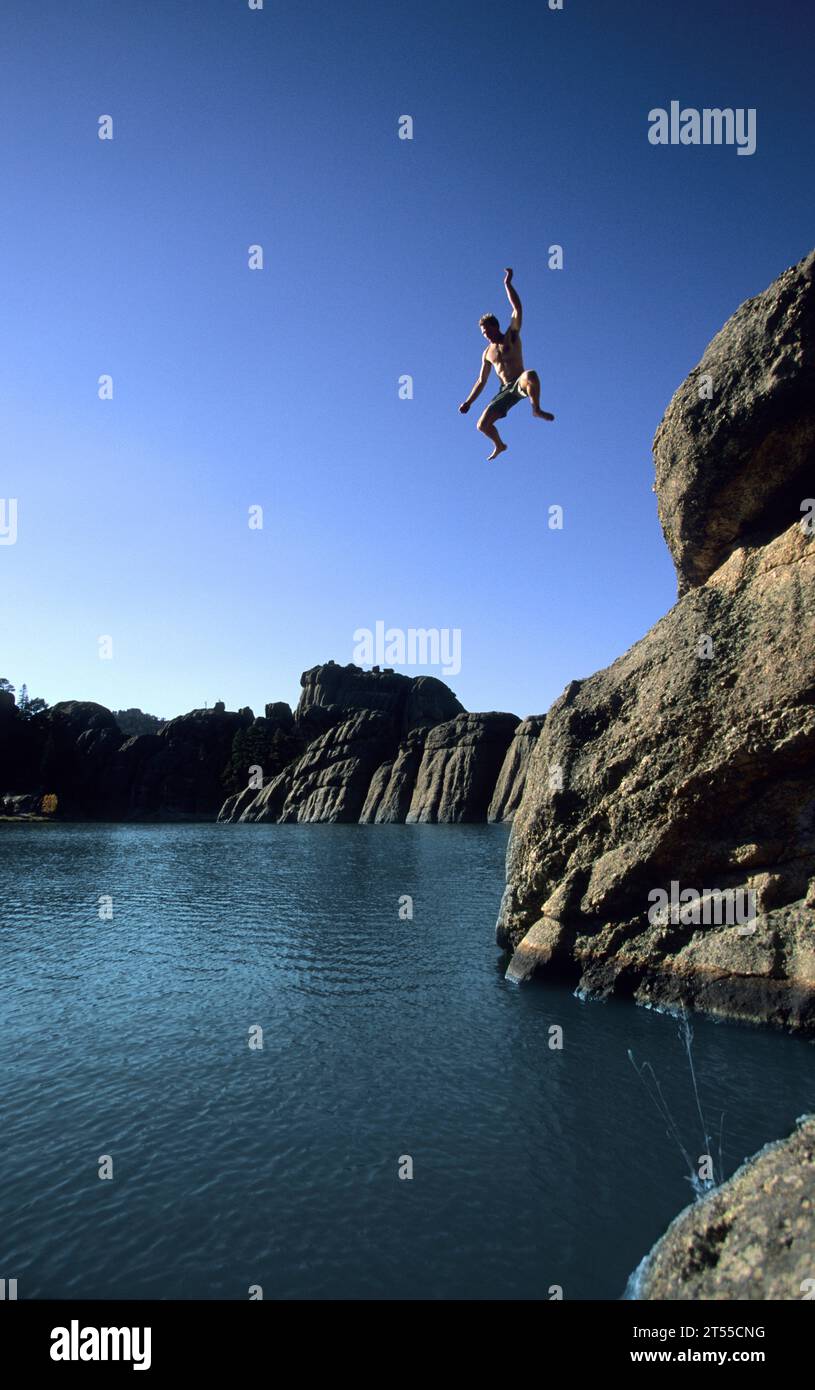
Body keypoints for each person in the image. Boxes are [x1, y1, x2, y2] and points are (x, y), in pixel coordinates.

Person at [459, 268, 554, 460]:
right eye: (483, 333)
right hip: (505, 390)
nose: (486, 335)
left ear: (496, 326)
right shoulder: (487, 353)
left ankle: (535, 408)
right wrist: (468, 402)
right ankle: (500, 445)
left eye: (488, 331)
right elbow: (481, 381)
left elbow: (517, 309)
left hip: (520, 382)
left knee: (531, 374)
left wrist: (507, 284)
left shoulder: (511, 336)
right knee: (482, 425)